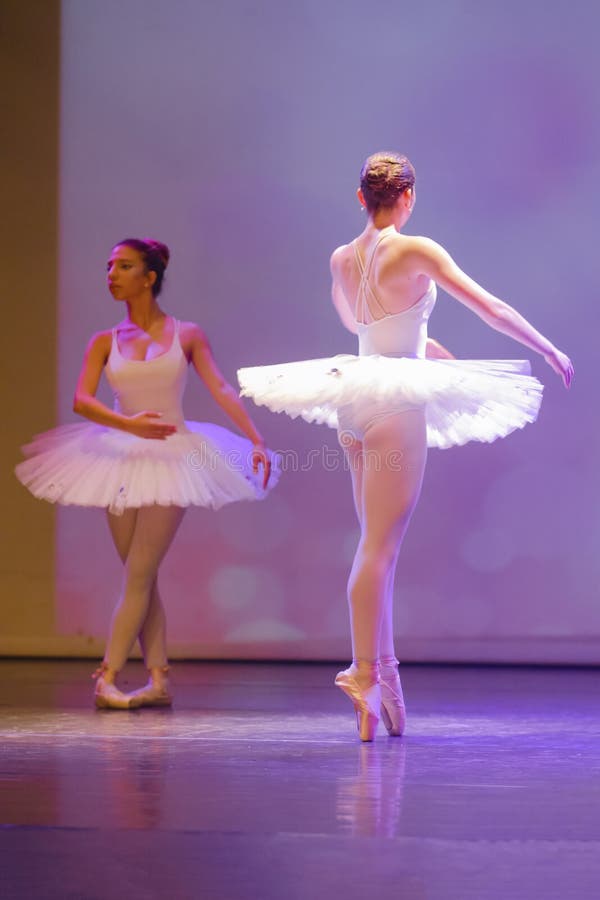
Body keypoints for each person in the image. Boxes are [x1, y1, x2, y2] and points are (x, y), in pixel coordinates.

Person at [238, 152, 573, 742]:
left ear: (359, 198)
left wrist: (423, 345)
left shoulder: (343, 257)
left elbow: (359, 323)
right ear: (408, 196)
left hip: (355, 399)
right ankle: (365, 672)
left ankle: (381, 678)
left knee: (374, 545)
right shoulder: (417, 249)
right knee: (379, 550)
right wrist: (547, 348)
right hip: (394, 403)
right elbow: (490, 306)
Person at [16, 238, 277, 709]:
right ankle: (158, 679)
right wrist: (127, 424)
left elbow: (219, 388)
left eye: (124, 266)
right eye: (109, 266)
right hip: (116, 457)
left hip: (172, 457)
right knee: (142, 575)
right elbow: (82, 400)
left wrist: (256, 439)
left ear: (150, 277)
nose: (112, 273)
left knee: (138, 573)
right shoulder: (104, 340)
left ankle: (107, 675)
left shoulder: (187, 334)